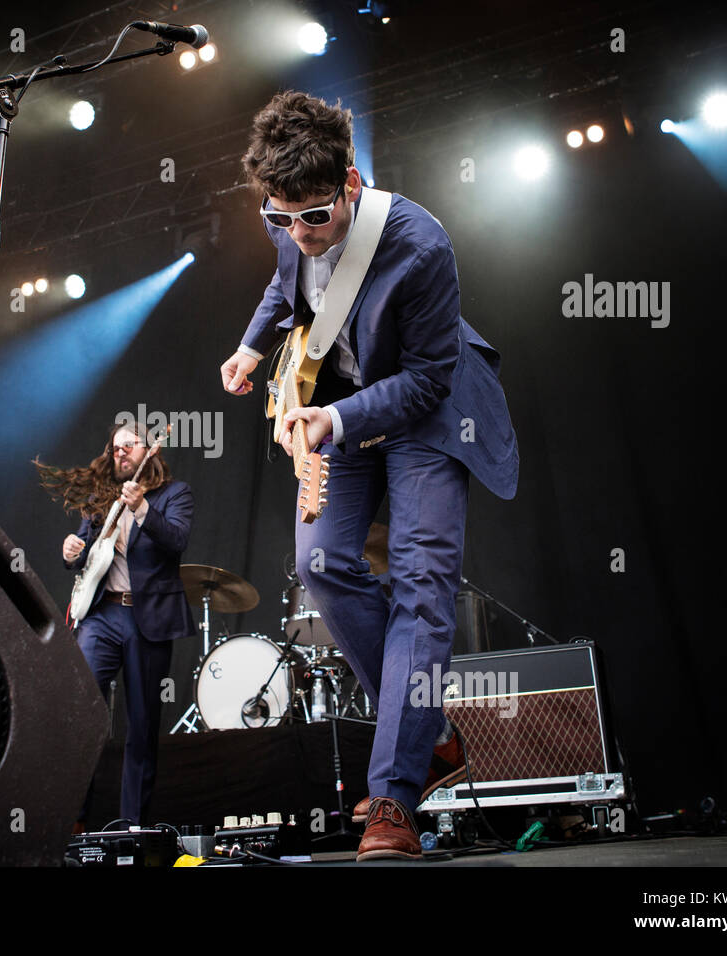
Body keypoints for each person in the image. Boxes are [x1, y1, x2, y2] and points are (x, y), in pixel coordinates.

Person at [219, 91, 519, 861]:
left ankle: (394, 794)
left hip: (427, 413)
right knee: (320, 563)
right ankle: (430, 731)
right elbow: (285, 290)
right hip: (342, 406)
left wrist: (334, 422)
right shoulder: (293, 220)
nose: (297, 235)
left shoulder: (420, 246)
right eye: (277, 219)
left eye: (313, 218)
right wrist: (255, 347)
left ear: (350, 185)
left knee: (422, 586)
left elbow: (426, 377)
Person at [36, 421, 195, 827]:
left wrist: (141, 507)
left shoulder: (175, 494)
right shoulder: (99, 498)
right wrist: (71, 551)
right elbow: (86, 553)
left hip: (148, 620)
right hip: (102, 616)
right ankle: (72, 821)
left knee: (141, 727)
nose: (120, 452)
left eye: (129, 445)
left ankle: (132, 828)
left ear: (149, 453)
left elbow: (177, 540)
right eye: (115, 447)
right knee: (82, 712)